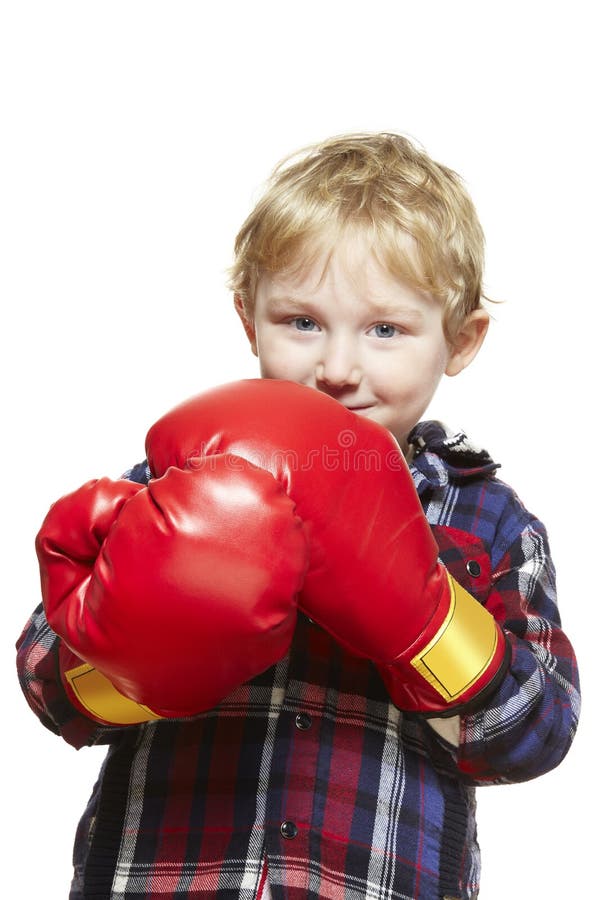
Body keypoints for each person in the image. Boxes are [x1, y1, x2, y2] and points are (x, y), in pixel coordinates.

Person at [17, 132, 580, 900]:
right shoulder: (182, 478)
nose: (339, 369)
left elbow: (538, 735)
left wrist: (427, 627)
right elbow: (49, 688)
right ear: (249, 319)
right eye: (302, 322)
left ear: (462, 339)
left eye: (386, 329)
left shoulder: (487, 519)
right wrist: (146, 643)